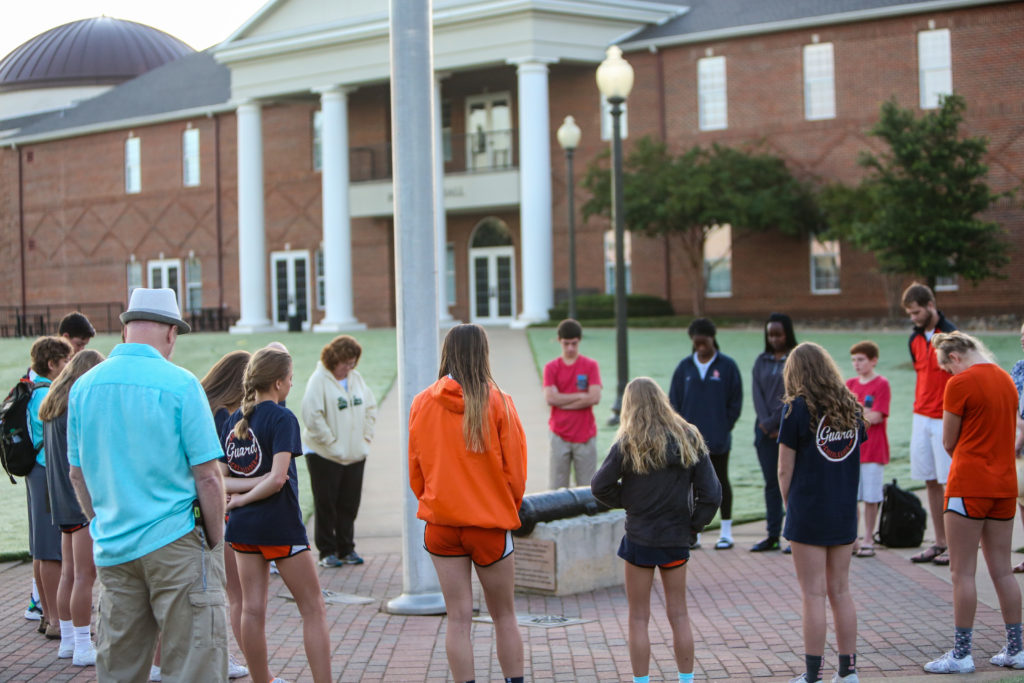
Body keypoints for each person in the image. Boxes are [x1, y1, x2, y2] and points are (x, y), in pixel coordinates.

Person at [67, 288, 228, 681]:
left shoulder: (83, 388)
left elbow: (77, 474)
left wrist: (99, 519)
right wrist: (214, 537)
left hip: (115, 544)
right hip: (176, 539)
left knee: (119, 666)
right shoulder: (181, 384)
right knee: (193, 664)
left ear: (126, 330)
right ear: (171, 333)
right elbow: (208, 476)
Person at [408, 324, 527, 683]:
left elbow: (416, 470)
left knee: (457, 618)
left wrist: (435, 500)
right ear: (483, 354)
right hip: (489, 524)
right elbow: (516, 472)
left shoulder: (422, 402)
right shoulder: (500, 402)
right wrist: (505, 506)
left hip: (442, 524)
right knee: (503, 615)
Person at [591, 377, 721, 683]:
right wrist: (693, 525)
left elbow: (599, 485)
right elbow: (712, 494)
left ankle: (641, 681)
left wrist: (628, 500)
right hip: (676, 538)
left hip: (639, 540)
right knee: (679, 614)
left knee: (638, 617)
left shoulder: (628, 441)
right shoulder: (689, 436)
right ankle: (686, 679)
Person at [220, 347, 332, 683]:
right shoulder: (283, 419)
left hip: (241, 530)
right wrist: (246, 496)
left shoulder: (233, 419)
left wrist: (240, 496)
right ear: (280, 383)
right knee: (313, 608)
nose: (291, 385)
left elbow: (223, 478)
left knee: (252, 610)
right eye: (291, 379)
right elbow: (278, 478)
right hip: (279, 525)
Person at [922, 331, 1024, 674]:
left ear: (954, 358)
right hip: (1005, 485)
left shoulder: (960, 383)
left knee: (962, 572)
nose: (948, 376)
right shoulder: (1007, 380)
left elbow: (950, 441)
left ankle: (962, 654)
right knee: (1003, 570)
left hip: (968, 485)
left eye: (946, 369)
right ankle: (1016, 649)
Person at [778, 342, 864, 683]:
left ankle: (813, 675)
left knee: (813, 593)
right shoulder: (851, 407)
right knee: (841, 591)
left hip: (809, 510)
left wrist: (790, 507)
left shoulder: (796, 409)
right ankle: (848, 672)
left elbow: (784, 471)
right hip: (843, 510)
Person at [39, 349, 104, 666]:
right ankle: (81, 644)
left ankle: (67, 640)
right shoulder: (77, 405)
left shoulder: (53, 403)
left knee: (69, 574)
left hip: (61, 501)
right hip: (80, 502)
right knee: (84, 576)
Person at [301, 335, 378, 567]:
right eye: (345, 362)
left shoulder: (357, 379)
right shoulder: (318, 380)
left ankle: (347, 548)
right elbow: (312, 416)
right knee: (326, 504)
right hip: (324, 456)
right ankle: (327, 552)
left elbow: (370, 407)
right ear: (334, 359)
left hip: (355, 454)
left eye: (353, 362)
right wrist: (333, 443)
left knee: (349, 504)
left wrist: (366, 436)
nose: (349, 367)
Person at [200, 349, 253, 681]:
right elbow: (217, 472)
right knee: (233, 595)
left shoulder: (203, 405)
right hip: (215, 512)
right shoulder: (223, 415)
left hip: (189, 511)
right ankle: (226, 657)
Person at [669, 318, 742, 549]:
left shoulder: (727, 366)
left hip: (718, 440)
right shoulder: (684, 368)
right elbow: (673, 404)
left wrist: (723, 426)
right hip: (690, 443)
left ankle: (726, 533)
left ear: (713, 339)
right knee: (692, 487)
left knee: (720, 484)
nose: (700, 347)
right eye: (696, 343)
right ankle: (695, 534)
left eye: (704, 342)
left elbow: (735, 402)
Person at [903, 282, 957, 566]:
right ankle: (939, 542)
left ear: (930, 306)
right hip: (920, 415)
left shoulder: (951, 335)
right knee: (930, 479)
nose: (913, 318)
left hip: (945, 416)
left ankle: (956, 545)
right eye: (910, 314)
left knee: (951, 482)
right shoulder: (913, 338)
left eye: (916, 312)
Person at [26, 336, 73, 641]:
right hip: (46, 471)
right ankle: (56, 619)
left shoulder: (29, 388)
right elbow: (47, 443)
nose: (68, 366)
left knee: (41, 549)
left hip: (34, 473)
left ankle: (47, 614)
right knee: (52, 551)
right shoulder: (45, 393)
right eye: (65, 361)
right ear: (52, 363)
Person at [750, 313, 798, 552]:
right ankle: (773, 536)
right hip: (764, 433)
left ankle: (795, 536)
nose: (774, 338)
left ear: (787, 333)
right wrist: (766, 424)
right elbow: (757, 395)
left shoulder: (796, 360)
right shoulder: (761, 361)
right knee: (772, 484)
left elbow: (794, 395)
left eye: (778, 334)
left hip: (790, 430)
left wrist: (775, 423)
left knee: (793, 483)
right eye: (770, 334)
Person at [543, 318, 602, 489]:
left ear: (579, 341)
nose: (570, 348)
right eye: (566, 343)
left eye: (574, 344)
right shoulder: (551, 367)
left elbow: (594, 397)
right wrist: (581, 397)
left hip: (585, 434)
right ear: (559, 341)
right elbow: (550, 398)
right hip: (559, 434)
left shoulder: (591, 365)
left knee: (587, 487)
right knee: (556, 487)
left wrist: (562, 399)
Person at [845, 341, 891, 558]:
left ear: (873, 360)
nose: (857, 364)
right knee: (852, 496)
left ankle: (869, 537)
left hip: (874, 450)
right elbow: (844, 414)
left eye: (861, 359)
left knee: (871, 496)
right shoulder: (850, 384)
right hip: (853, 450)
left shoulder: (881, 384)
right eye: (854, 360)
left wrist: (859, 415)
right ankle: (852, 536)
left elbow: (877, 416)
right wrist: (862, 414)